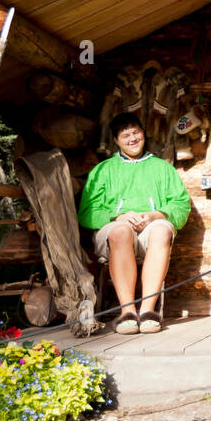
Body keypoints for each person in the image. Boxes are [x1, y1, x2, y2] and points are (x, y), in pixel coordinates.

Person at [77, 113, 192, 334]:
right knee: (121, 232)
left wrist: (156, 215)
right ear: (116, 140)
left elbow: (181, 203)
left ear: (143, 134)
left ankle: (148, 311)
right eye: (125, 135)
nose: (132, 139)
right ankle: (127, 312)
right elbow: (87, 211)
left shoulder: (162, 168)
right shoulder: (103, 171)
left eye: (136, 133)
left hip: (151, 229)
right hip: (115, 231)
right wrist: (116, 216)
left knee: (161, 231)